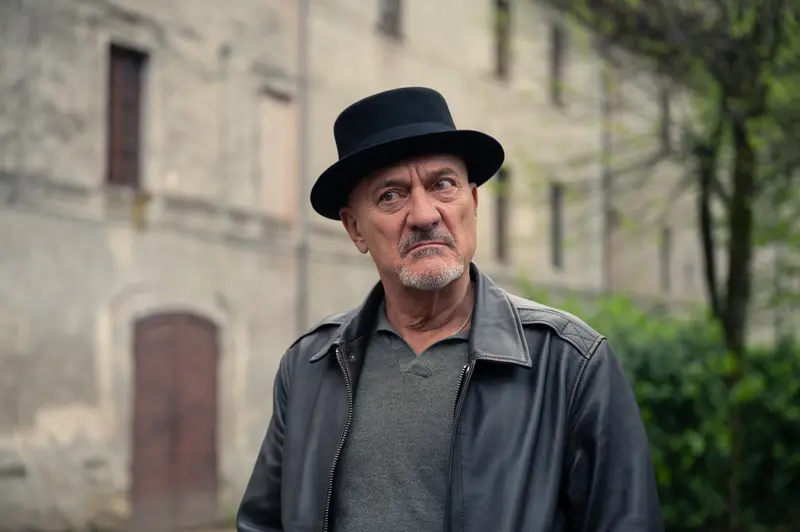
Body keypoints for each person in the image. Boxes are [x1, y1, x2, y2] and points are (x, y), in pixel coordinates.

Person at [236, 87, 663, 532]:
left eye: (442, 185)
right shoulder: (309, 367)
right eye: (390, 196)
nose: (424, 215)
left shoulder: (569, 364)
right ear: (355, 228)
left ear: (473, 203)